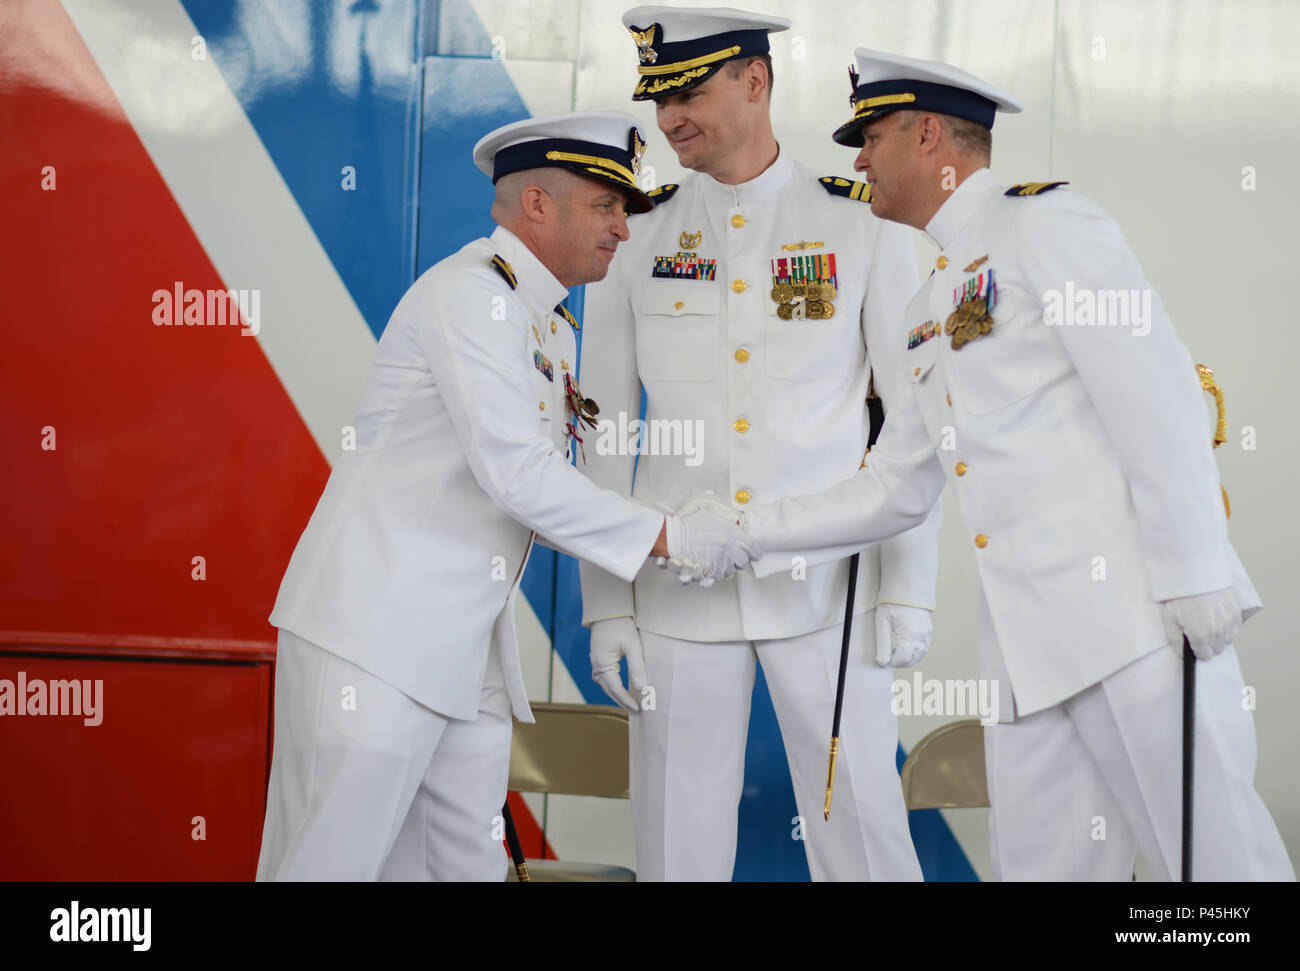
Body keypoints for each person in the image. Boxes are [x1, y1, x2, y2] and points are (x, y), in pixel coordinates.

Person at [742, 48, 1295, 880]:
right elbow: (895, 487)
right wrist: (734, 533)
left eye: (871, 135)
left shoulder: (1044, 224)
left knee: (1214, 872)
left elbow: (1158, 392)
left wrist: (1193, 571)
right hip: (1028, 656)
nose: (857, 159)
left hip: (1140, 622)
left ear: (929, 135)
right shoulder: (934, 301)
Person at [256, 111, 757, 882]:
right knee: (330, 865)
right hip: (378, 643)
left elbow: (539, 494)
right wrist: (671, 538)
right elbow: (519, 477)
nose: (623, 229)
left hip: (460, 654)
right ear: (536, 206)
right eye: (606, 205)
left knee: (462, 867)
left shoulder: (544, 322)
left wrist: (674, 529)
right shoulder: (471, 299)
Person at [577, 7, 941, 881]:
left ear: (755, 81)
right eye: (658, 101)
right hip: (675, 598)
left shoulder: (865, 224)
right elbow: (604, 440)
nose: (670, 121)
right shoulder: (638, 235)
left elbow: (911, 427)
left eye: (690, 93)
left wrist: (910, 585)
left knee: (864, 833)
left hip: (830, 592)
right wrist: (608, 604)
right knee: (677, 845)